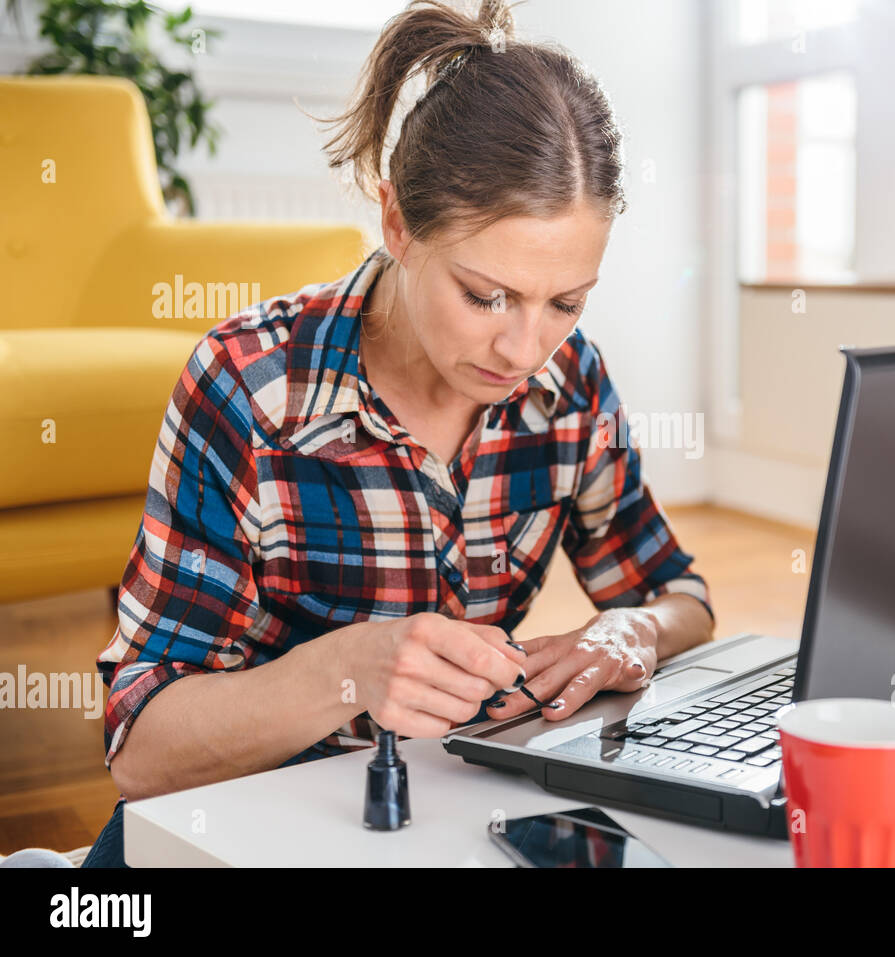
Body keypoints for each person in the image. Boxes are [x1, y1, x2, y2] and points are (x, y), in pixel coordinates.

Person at [82, 0, 713, 868]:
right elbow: (140, 748)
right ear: (397, 224)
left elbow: (679, 596)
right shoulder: (251, 388)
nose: (524, 349)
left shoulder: (570, 386)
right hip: (246, 809)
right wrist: (351, 669)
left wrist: (630, 632)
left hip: (448, 809)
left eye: (565, 302)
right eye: (485, 295)